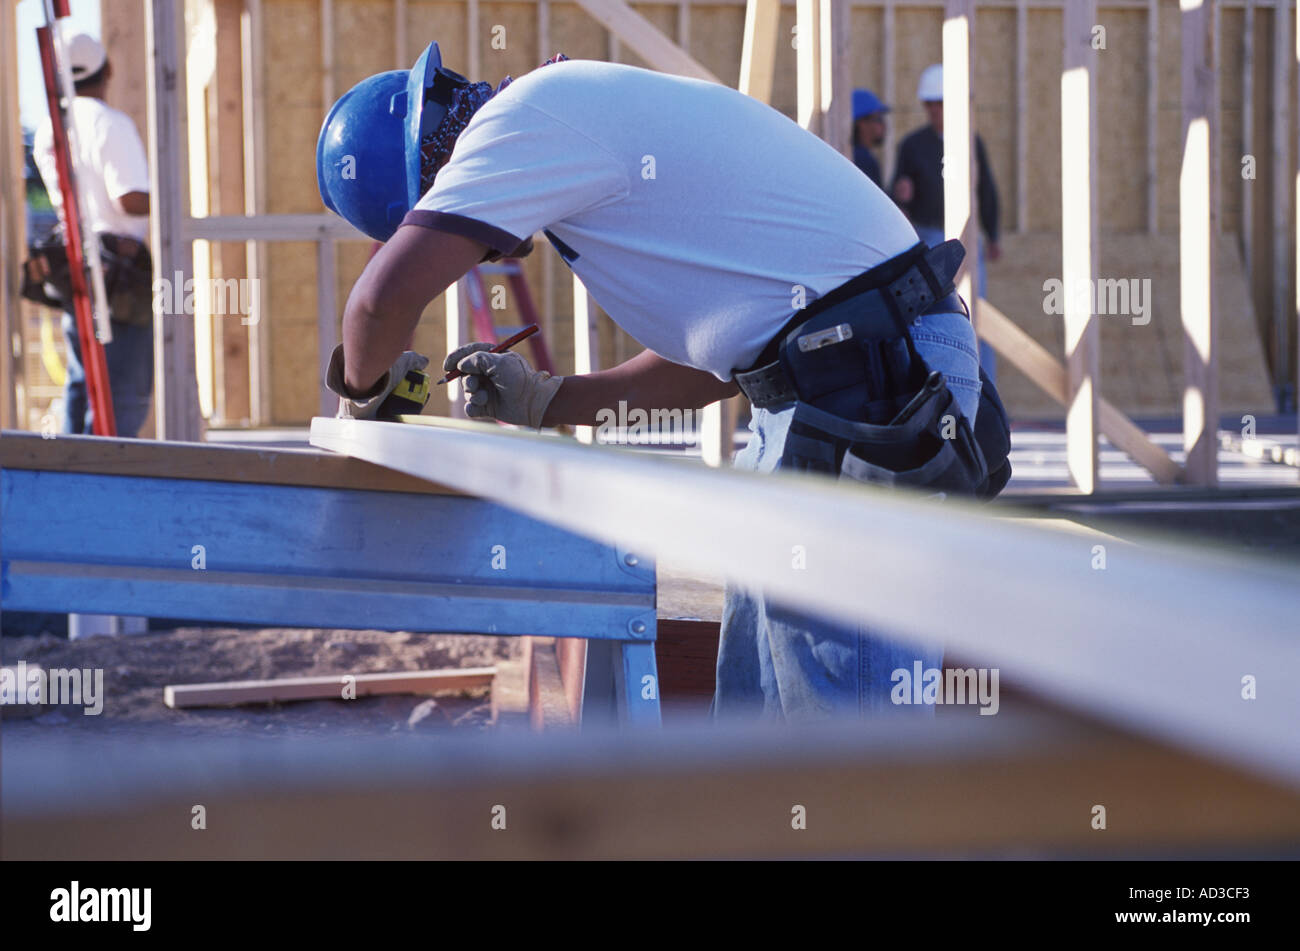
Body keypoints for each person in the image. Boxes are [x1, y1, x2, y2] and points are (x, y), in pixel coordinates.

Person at [317, 42, 1011, 721]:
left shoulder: (524, 118)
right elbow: (728, 358)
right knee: (757, 707)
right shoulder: (572, 134)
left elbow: (380, 301)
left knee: (845, 727)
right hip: (829, 383)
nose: (485, 249)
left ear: (433, 167)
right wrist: (548, 399)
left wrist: (365, 396)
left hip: (872, 388)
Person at [32, 32, 154, 436]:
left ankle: (71, 477)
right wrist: (174, 204)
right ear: (109, 71)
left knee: (82, 381)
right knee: (124, 390)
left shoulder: (50, 130)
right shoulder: (109, 123)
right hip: (119, 270)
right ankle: (110, 481)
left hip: (76, 264)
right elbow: (130, 200)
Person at [891, 63, 1000, 380]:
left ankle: (982, 389)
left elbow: (987, 190)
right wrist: (902, 194)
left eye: (940, 104)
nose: (935, 111)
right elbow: (896, 193)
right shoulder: (912, 145)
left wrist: (993, 235)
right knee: (932, 317)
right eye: (930, 104)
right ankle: (937, 386)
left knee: (973, 313)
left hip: (966, 239)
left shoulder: (969, 142)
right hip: (927, 239)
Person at [851, 88, 889, 186]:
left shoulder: (857, 155)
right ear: (862, 124)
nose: (883, 125)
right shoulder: (863, 160)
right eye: (878, 119)